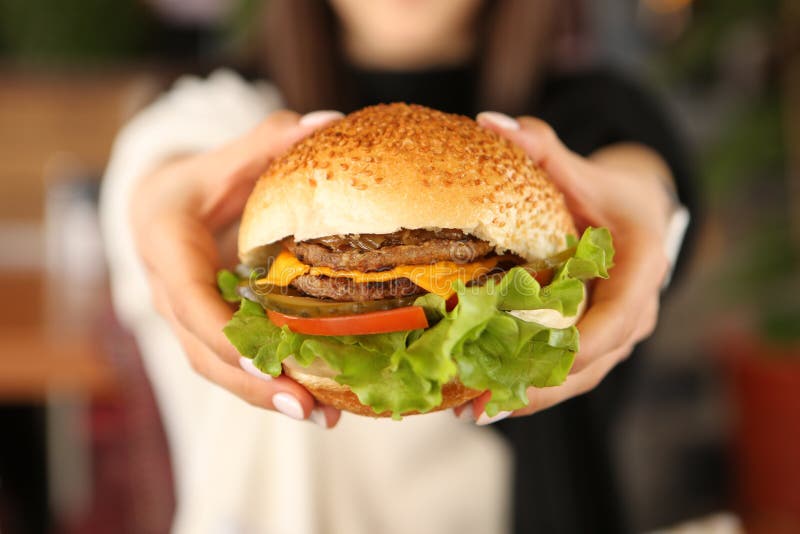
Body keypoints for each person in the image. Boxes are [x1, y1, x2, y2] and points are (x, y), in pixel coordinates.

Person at [101, 1, 693, 532]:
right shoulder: (223, 108)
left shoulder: (587, 118)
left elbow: (637, 172)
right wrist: (156, 199)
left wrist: (646, 202)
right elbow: (165, 160)